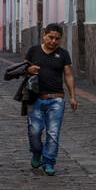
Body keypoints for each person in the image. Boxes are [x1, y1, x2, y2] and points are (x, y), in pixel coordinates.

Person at [24, 24, 76, 176]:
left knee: (53, 133)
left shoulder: (63, 54)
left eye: (57, 39)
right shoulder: (33, 51)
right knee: (34, 131)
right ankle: (36, 151)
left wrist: (72, 96)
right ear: (44, 35)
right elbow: (22, 70)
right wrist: (28, 70)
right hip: (35, 98)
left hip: (56, 100)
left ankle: (49, 162)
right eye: (50, 37)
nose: (53, 41)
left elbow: (68, 76)